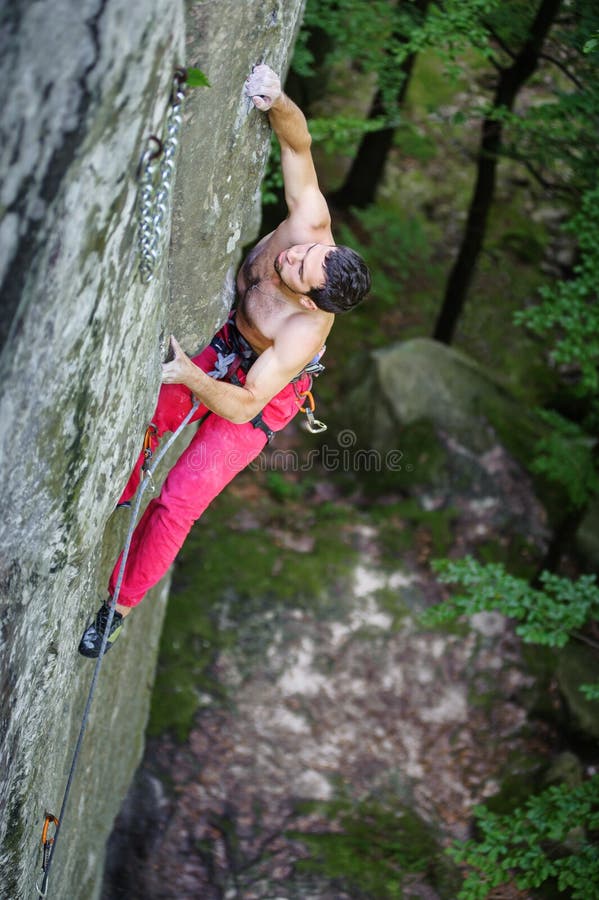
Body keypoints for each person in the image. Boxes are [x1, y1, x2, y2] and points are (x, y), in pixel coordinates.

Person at [79, 64, 371, 657]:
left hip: (262, 396)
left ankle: (119, 604)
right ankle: (124, 486)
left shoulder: (303, 332)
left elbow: (242, 406)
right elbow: (298, 141)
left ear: (313, 300)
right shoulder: (311, 224)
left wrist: (189, 372)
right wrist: (277, 97)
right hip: (233, 342)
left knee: (181, 500)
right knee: (151, 415)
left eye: (302, 271)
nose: (293, 257)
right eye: (307, 253)